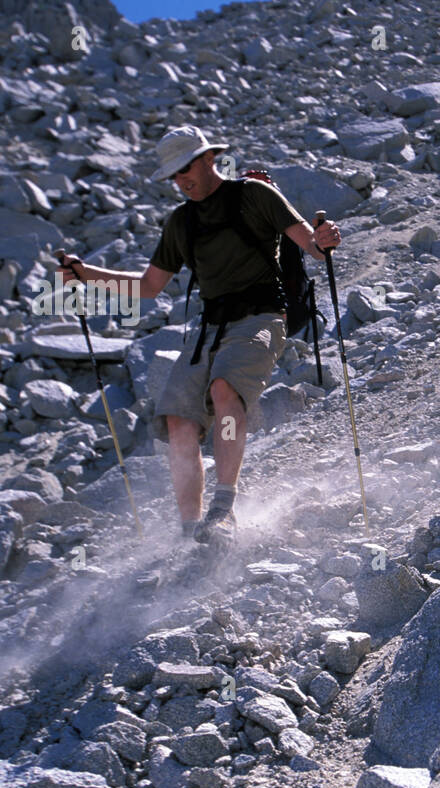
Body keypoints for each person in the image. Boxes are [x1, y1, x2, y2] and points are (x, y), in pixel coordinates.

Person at [57, 125, 342, 547]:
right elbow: (148, 287)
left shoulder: (254, 195)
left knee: (225, 390)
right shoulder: (181, 221)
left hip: (262, 317)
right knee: (178, 420)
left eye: (185, 168)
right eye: (173, 175)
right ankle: (191, 531)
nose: (181, 180)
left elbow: (313, 247)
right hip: (210, 327)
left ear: (209, 159)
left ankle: (223, 512)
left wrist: (325, 238)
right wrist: (88, 276)